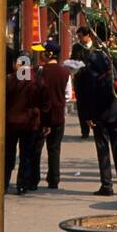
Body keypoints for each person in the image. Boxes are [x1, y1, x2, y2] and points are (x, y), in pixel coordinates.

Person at [74, 27, 117, 196]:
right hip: (116, 109)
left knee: (103, 149)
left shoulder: (90, 58)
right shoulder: (116, 56)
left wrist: (86, 116)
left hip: (98, 113)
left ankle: (107, 185)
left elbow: (85, 90)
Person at [5, 52, 44, 195]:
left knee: (9, 154)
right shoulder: (37, 79)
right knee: (26, 155)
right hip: (30, 122)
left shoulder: (10, 79)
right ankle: (22, 184)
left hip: (11, 122)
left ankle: (4, 182)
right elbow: (44, 101)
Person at [38, 41, 69, 189]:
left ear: (49, 54)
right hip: (58, 115)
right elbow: (68, 95)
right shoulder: (65, 72)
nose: (41, 54)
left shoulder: (40, 71)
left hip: (41, 115)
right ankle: (54, 179)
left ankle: (32, 177)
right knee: (55, 149)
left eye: (43, 52)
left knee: (36, 148)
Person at [70, 41, 92, 138]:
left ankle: (96, 128)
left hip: (93, 81)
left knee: (93, 106)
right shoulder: (76, 47)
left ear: (88, 35)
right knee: (81, 107)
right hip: (80, 81)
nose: (79, 38)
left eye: (81, 36)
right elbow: (72, 62)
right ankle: (84, 131)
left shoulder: (96, 47)